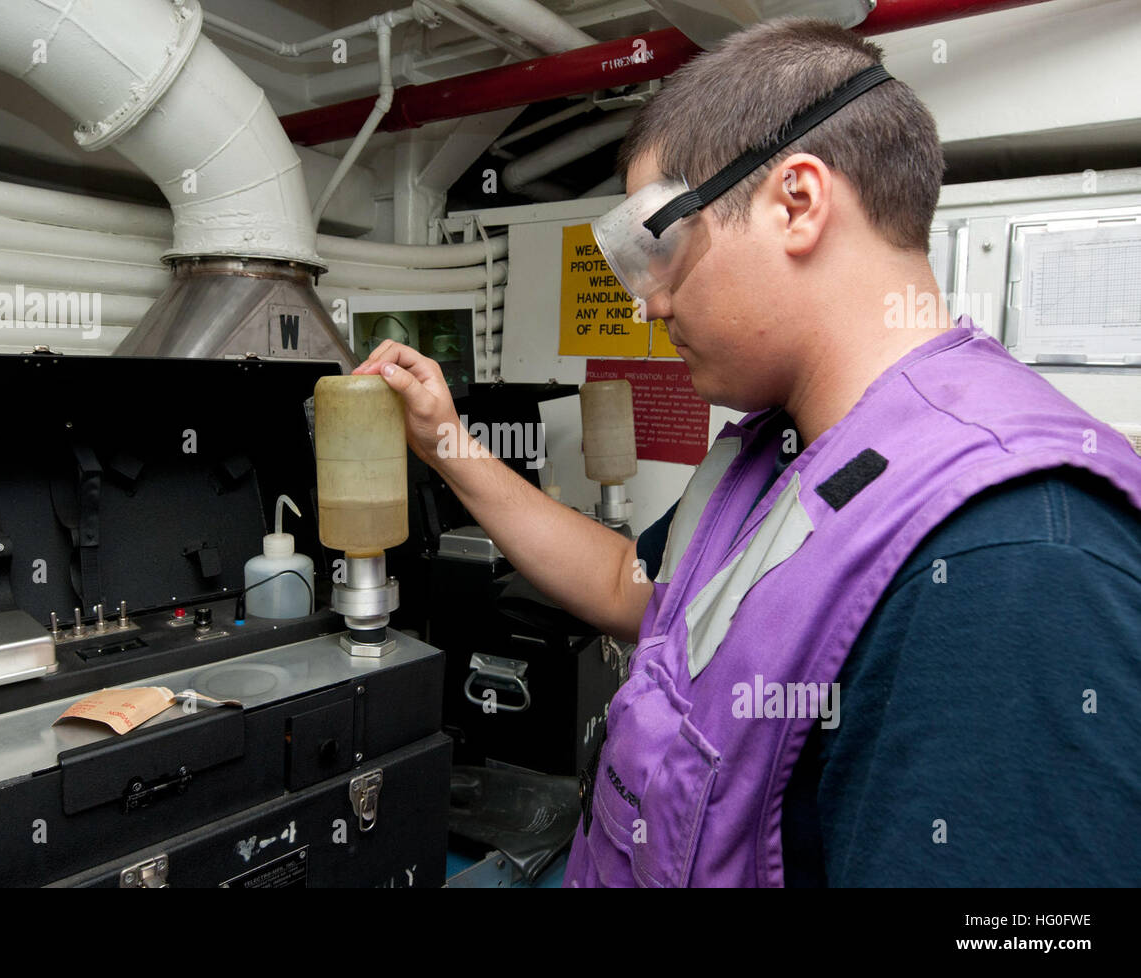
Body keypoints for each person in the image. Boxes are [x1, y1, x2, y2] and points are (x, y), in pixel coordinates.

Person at [355, 18, 1141, 886]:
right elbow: (631, 587)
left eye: (661, 245)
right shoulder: (767, 450)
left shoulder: (1013, 554)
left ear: (797, 204)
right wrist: (446, 441)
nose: (648, 304)